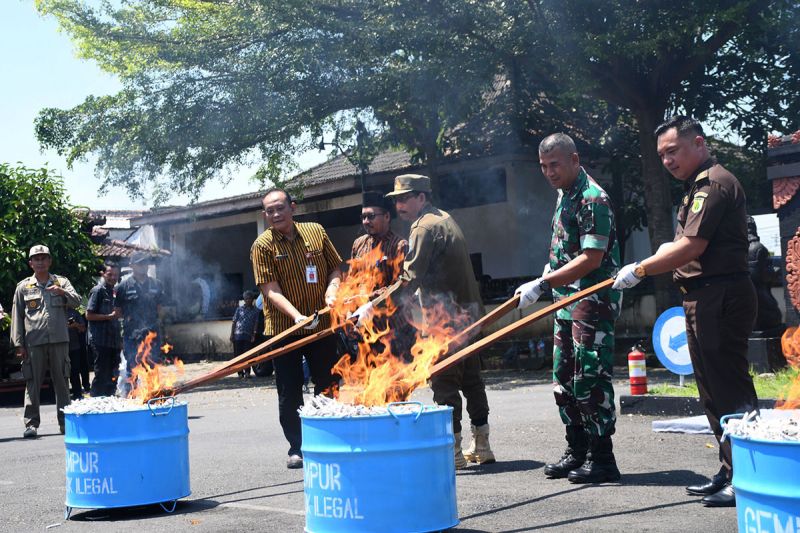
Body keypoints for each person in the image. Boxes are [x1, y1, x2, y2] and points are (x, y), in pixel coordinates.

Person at [614, 116, 757, 507]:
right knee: (711, 391)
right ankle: (730, 468)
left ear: (699, 143)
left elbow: (691, 246)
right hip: (701, 296)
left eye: (673, 151)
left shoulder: (714, 184)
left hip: (721, 295)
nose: (667, 161)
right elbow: (679, 246)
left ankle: (748, 474)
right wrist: (656, 258)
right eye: (661, 155)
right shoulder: (695, 188)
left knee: (729, 387)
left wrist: (641, 268)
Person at [355, 174, 495, 468]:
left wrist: (372, 306)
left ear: (422, 197)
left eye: (406, 198)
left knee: (445, 382)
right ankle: (482, 445)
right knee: (472, 380)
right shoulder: (444, 219)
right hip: (467, 314)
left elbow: (408, 278)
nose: (400, 205)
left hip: (444, 320)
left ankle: (452, 451)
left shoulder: (423, 227)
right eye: (397, 200)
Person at [515, 133, 621, 484]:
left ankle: (602, 458)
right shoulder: (565, 196)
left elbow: (592, 258)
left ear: (574, 160)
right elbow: (566, 251)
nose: (549, 172)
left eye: (555, 164)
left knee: (589, 376)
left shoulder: (593, 198)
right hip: (566, 302)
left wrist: (543, 284)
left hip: (591, 302)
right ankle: (577, 450)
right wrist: (547, 276)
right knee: (563, 377)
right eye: (543, 166)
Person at [251, 188, 343, 469]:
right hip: (284, 328)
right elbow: (270, 289)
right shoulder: (262, 246)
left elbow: (336, 268)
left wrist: (332, 290)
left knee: (327, 383)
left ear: (292, 207)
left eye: (280, 208)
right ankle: (297, 447)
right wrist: (296, 316)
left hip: (322, 324)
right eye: (270, 211)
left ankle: (327, 438)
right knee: (289, 390)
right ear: (265, 215)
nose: (276, 214)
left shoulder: (316, 231)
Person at [10, 245, 81, 438]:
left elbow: (78, 302)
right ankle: (31, 424)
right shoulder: (23, 287)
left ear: (49, 261)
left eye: (44, 258)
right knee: (33, 383)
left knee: (62, 383)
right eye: (36, 258)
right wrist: (19, 344)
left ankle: (65, 423)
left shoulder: (61, 282)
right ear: (31, 263)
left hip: (59, 340)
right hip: (34, 342)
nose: (40, 262)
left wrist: (62, 293)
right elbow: (16, 316)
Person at [115, 251, 164, 388]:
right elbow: (118, 312)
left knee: (153, 365)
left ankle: (153, 394)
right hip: (132, 335)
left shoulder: (157, 284)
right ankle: (132, 396)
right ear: (132, 266)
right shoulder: (123, 287)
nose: (143, 266)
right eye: (140, 263)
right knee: (133, 367)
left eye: (145, 263)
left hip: (152, 334)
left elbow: (160, 308)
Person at [86, 262, 122, 396]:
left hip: (113, 341)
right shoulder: (98, 290)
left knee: (113, 376)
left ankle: (109, 403)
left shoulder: (114, 292)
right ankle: (96, 404)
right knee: (101, 375)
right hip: (100, 341)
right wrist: (109, 316)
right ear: (102, 274)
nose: (113, 277)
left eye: (116, 275)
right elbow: (89, 315)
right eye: (110, 274)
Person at [746, 216, 783, 333]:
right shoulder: (758, 248)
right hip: (761, 295)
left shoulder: (736, 249)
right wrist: (776, 271)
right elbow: (762, 275)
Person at [230, 290, 260, 378]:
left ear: (252, 299)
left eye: (249, 298)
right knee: (238, 355)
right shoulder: (239, 309)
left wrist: (254, 335)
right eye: (246, 299)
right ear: (244, 299)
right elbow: (234, 322)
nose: (248, 300)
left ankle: (247, 372)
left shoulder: (256, 311)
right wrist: (232, 334)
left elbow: (256, 323)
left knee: (247, 355)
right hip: (237, 335)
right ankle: (240, 373)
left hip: (248, 335)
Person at [66, 308, 90, 400]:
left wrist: (75, 325)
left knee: (75, 372)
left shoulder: (74, 312)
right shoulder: (55, 311)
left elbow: (83, 328)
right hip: (60, 348)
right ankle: (63, 396)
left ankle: (77, 394)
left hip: (74, 347)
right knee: (60, 373)